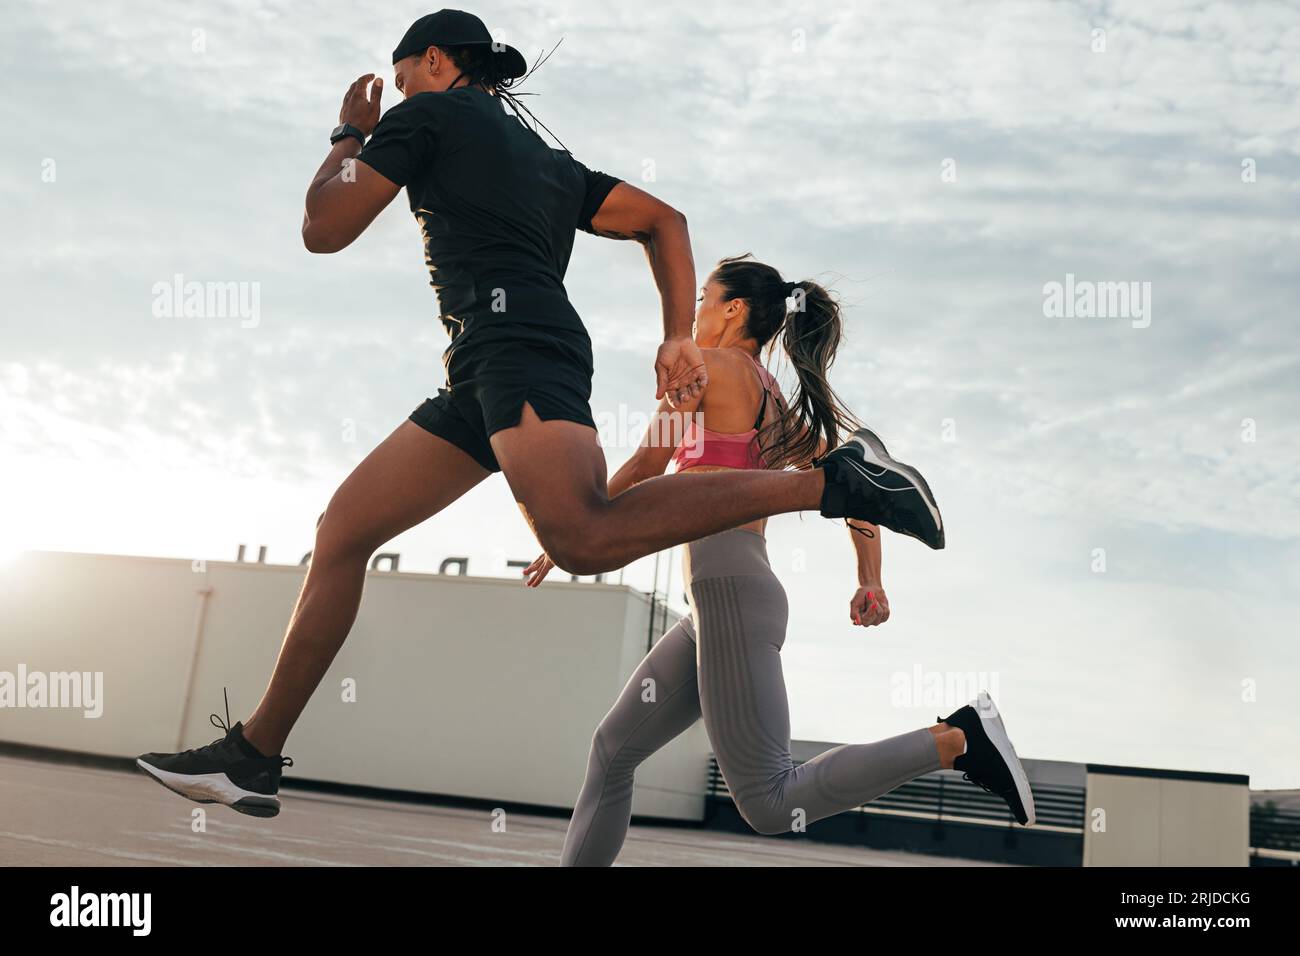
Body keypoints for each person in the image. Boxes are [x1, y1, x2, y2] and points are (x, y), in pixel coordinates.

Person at [135, 11, 943, 818]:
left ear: (439, 62)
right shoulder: (548, 160)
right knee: (342, 531)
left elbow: (323, 228)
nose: (402, 87)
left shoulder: (424, 116)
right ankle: (254, 755)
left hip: (518, 351)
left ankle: (831, 484)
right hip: (480, 370)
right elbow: (666, 222)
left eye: (406, 70)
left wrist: (349, 133)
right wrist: (672, 335)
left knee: (584, 537)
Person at [536, 257, 1033, 865]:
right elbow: (855, 487)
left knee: (770, 801)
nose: (693, 312)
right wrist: (869, 580)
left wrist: (570, 532)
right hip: (721, 602)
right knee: (613, 750)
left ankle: (957, 740)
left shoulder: (708, 369)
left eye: (702, 299)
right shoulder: (775, 401)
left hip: (729, 590)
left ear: (733, 310)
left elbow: (646, 465)